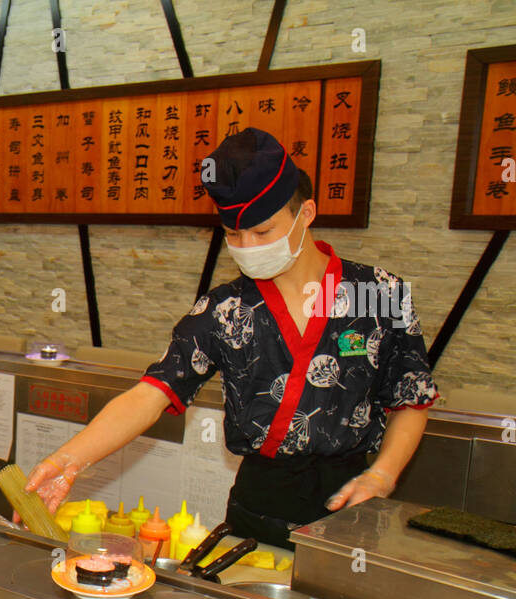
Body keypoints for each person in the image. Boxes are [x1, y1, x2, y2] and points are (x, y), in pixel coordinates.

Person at [26, 128, 438, 548]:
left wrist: (382, 476)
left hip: (353, 501)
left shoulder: (379, 293)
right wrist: (67, 460)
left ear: (307, 213)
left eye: (263, 233)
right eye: (234, 235)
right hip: (258, 505)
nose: (248, 247)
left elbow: (412, 397)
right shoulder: (224, 309)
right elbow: (151, 393)